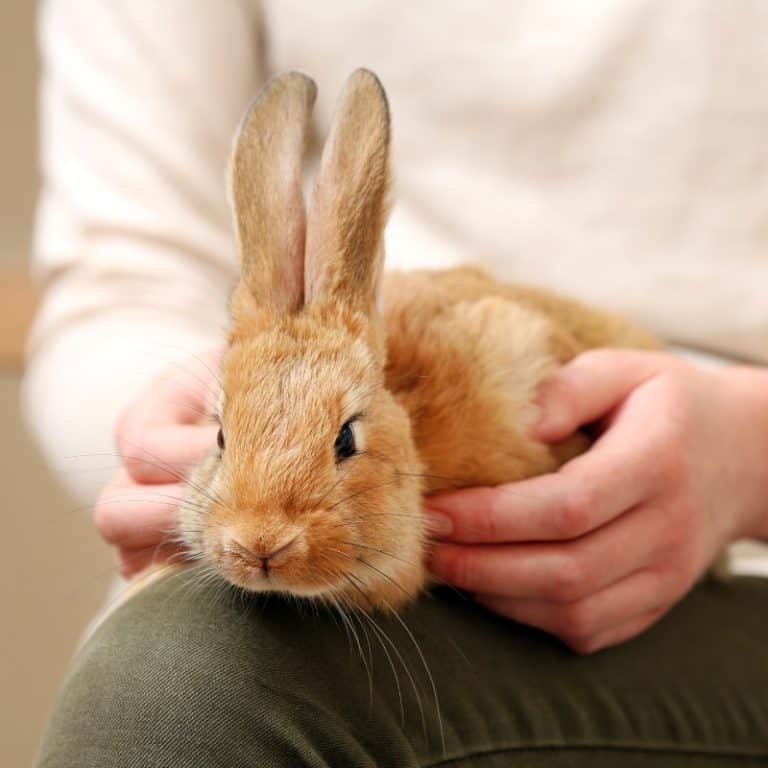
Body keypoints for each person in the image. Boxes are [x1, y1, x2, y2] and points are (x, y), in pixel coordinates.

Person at [27, 2, 768, 765]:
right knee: (164, 679)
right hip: (313, 419)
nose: (265, 541)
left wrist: (751, 458)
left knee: (202, 687)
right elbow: (124, 273)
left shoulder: (484, 390)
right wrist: (171, 435)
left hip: (725, 560)